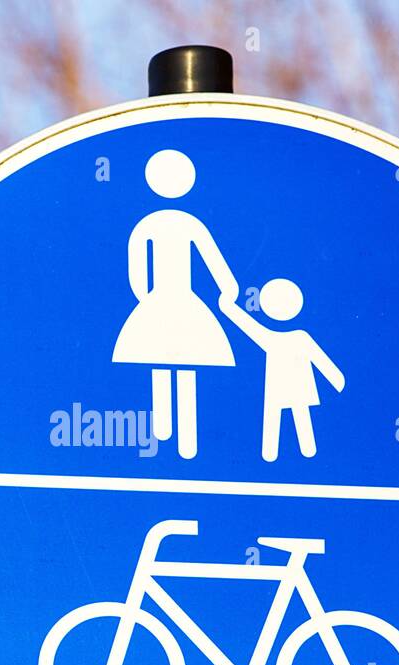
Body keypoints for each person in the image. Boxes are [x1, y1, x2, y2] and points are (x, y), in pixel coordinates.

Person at [113, 149, 239, 460]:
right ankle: (174, 440)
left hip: (164, 301)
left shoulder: (155, 224)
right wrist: (229, 289)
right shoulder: (177, 224)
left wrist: (146, 298)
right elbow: (214, 263)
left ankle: (176, 439)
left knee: (174, 361)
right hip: (175, 301)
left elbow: (137, 273)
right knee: (177, 362)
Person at [220, 278, 345, 462]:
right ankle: (273, 456)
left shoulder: (280, 338)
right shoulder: (288, 337)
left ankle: (289, 454)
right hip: (282, 386)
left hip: (291, 386)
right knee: (283, 416)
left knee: (292, 416)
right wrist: (228, 307)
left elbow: (320, 359)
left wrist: (337, 379)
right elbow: (247, 325)